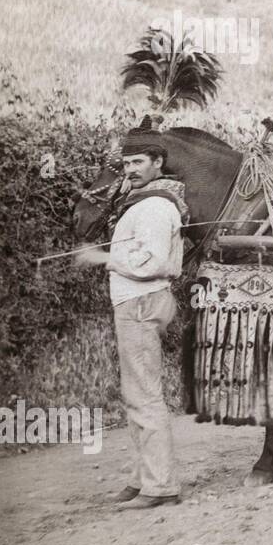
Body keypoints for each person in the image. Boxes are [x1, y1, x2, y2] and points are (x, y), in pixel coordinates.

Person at [76, 129, 187, 509]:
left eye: (138, 162)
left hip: (141, 301)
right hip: (136, 302)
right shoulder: (143, 201)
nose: (131, 170)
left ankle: (160, 485)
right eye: (126, 164)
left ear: (158, 163)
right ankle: (144, 479)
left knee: (145, 395)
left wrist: (103, 257)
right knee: (136, 394)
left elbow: (152, 261)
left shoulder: (156, 206)